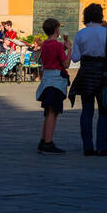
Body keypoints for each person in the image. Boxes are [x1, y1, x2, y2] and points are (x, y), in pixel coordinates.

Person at [69, 3, 107, 157]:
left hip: (85, 75)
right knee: (104, 111)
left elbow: (75, 58)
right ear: (100, 16)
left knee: (87, 111)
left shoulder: (80, 34)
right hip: (102, 75)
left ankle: (87, 147)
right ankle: (102, 146)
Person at [35, 18, 70, 154]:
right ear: (57, 30)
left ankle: (43, 141)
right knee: (53, 112)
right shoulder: (56, 45)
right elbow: (66, 63)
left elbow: (55, 49)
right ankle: (48, 143)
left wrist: (64, 46)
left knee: (48, 111)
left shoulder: (45, 44)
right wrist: (70, 49)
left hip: (47, 80)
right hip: (56, 80)